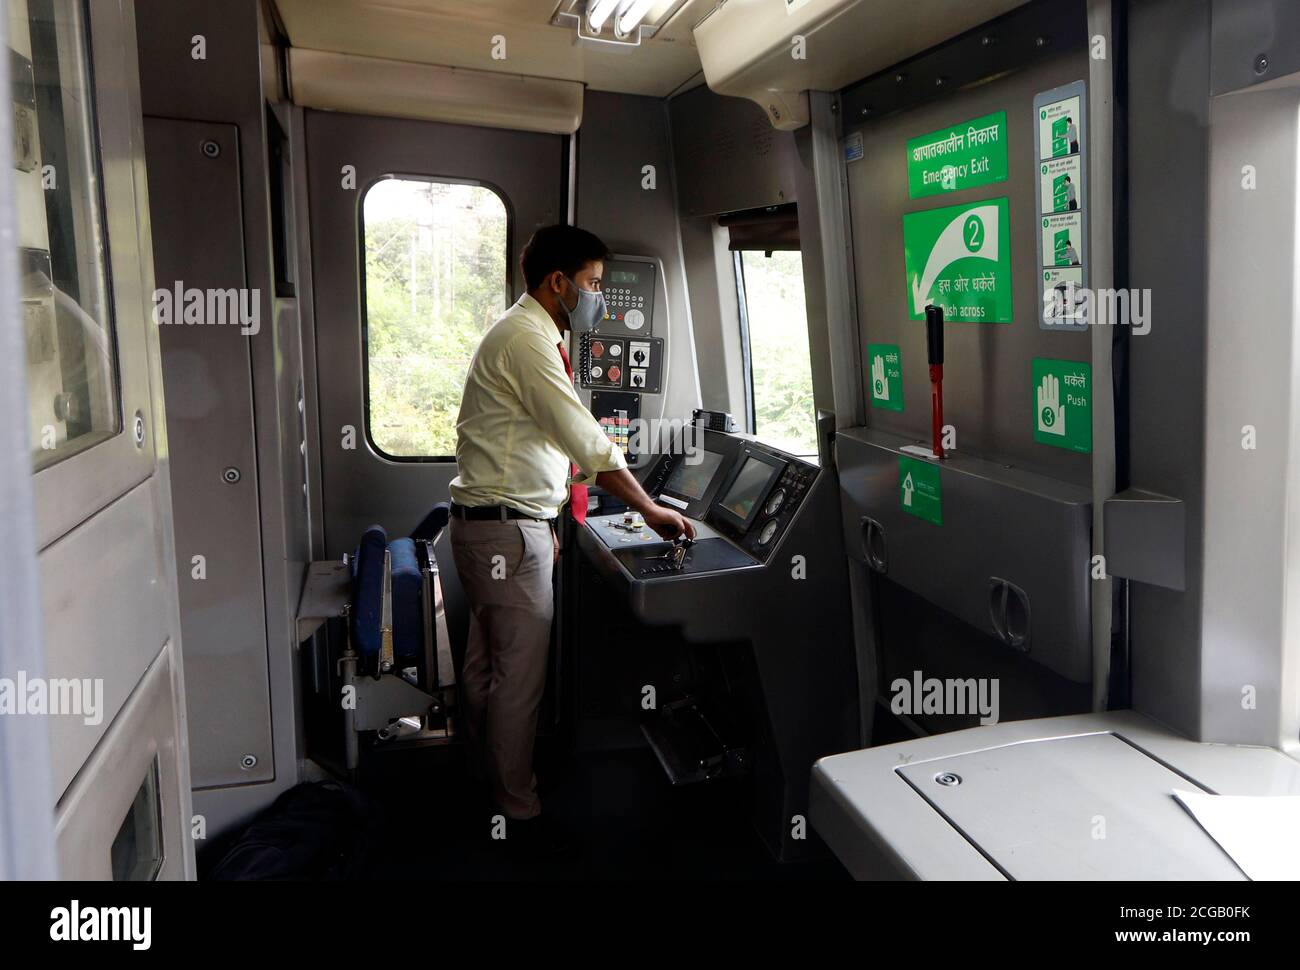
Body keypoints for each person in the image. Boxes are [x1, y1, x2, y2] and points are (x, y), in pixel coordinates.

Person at [448, 224, 693, 854]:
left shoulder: (526, 333)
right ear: (558, 282)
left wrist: (542, 522)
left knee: (486, 667)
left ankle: (481, 776)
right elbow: (583, 439)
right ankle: (517, 807)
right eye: (592, 285)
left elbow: (540, 443)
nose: (598, 299)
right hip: (505, 534)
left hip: (495, 529)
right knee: (518, 680)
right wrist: (649, 508)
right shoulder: (528, 341)